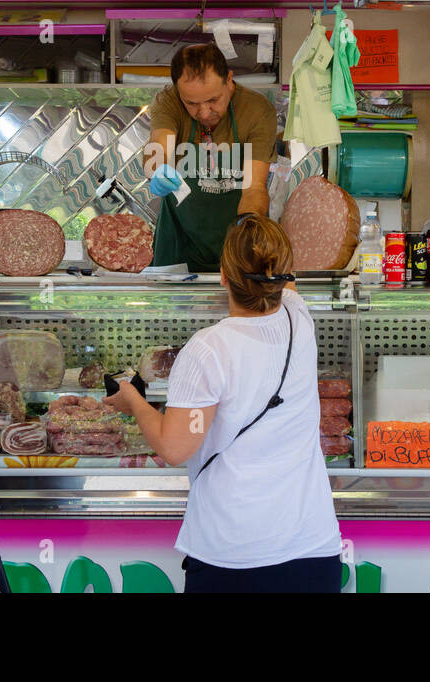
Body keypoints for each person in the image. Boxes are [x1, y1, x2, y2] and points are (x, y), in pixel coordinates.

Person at [105, 214, 342, 592]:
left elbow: (175, 447)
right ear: (282, 275)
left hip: (234, 556)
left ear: (223, 276)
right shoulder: (299, 319)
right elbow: (285, 280)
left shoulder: (209, 350)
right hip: (313, 550)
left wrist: (134, 401)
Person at [143, 43, 279, 271]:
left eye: (213, 100)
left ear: (229, 80)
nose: (204, 113)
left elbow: (254, 188)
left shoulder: (257, 111)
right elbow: (159, 147)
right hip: (178, 244)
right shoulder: (168, 101)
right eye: (192, 104)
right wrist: (158, 170)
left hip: (235, 243)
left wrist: (246, 231)